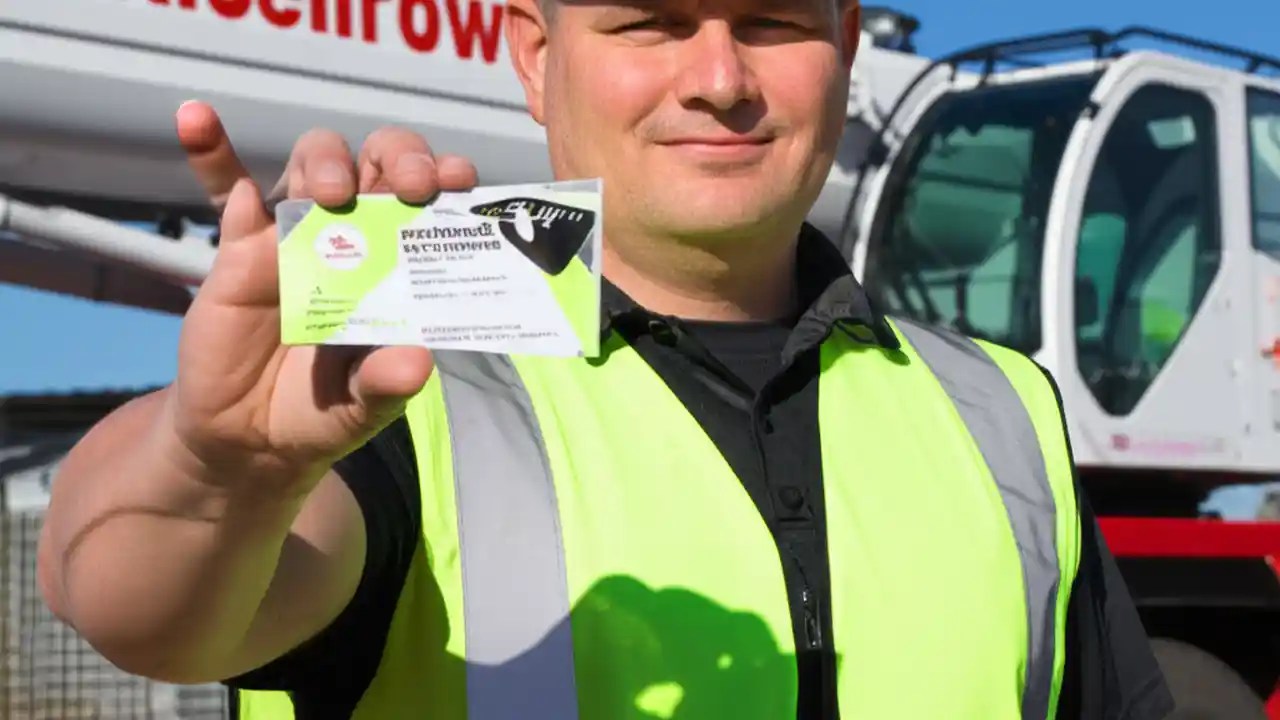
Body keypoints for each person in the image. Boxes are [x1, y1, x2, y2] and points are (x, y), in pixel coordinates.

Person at [37, 0, 1176, 718]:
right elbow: (155, 618)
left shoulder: (1000, 406)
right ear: (534, 60)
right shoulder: (410, 385)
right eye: (651, 23)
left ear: (841, 47)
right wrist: (222, 467)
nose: (719, 78)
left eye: (771, 22)